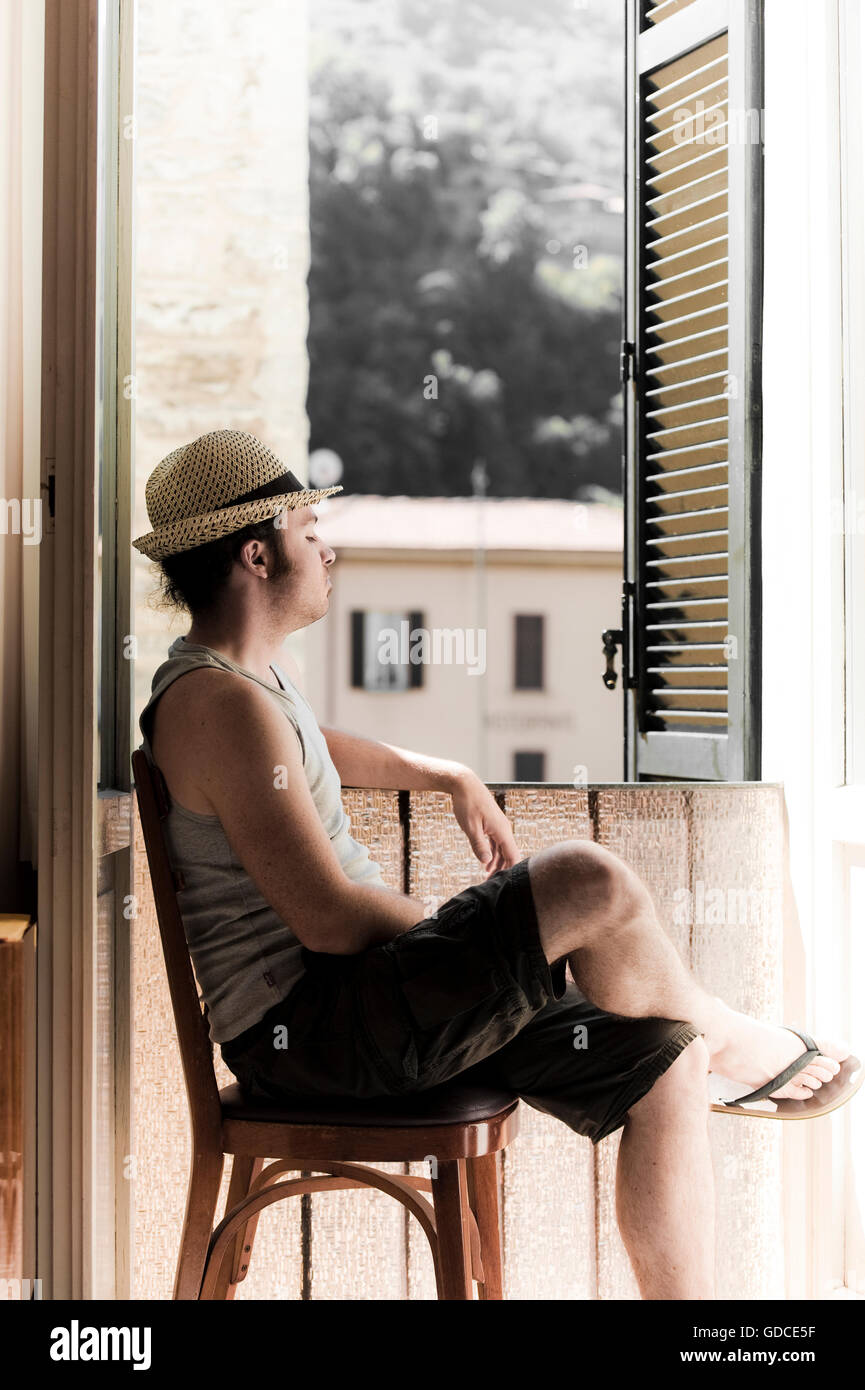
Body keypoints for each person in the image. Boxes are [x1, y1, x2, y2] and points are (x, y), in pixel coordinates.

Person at [134, 430, 860, 1300]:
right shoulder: (217, 704)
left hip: (365, 1007)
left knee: (665, 1059)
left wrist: (443, 773)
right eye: (311, 525)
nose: (330, 546)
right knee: (584, 880)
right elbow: (328, 920)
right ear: (257, 553)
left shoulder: (244, 685)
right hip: (315, 1029)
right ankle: (740, 1039)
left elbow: (308, 749)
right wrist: (473, 932)